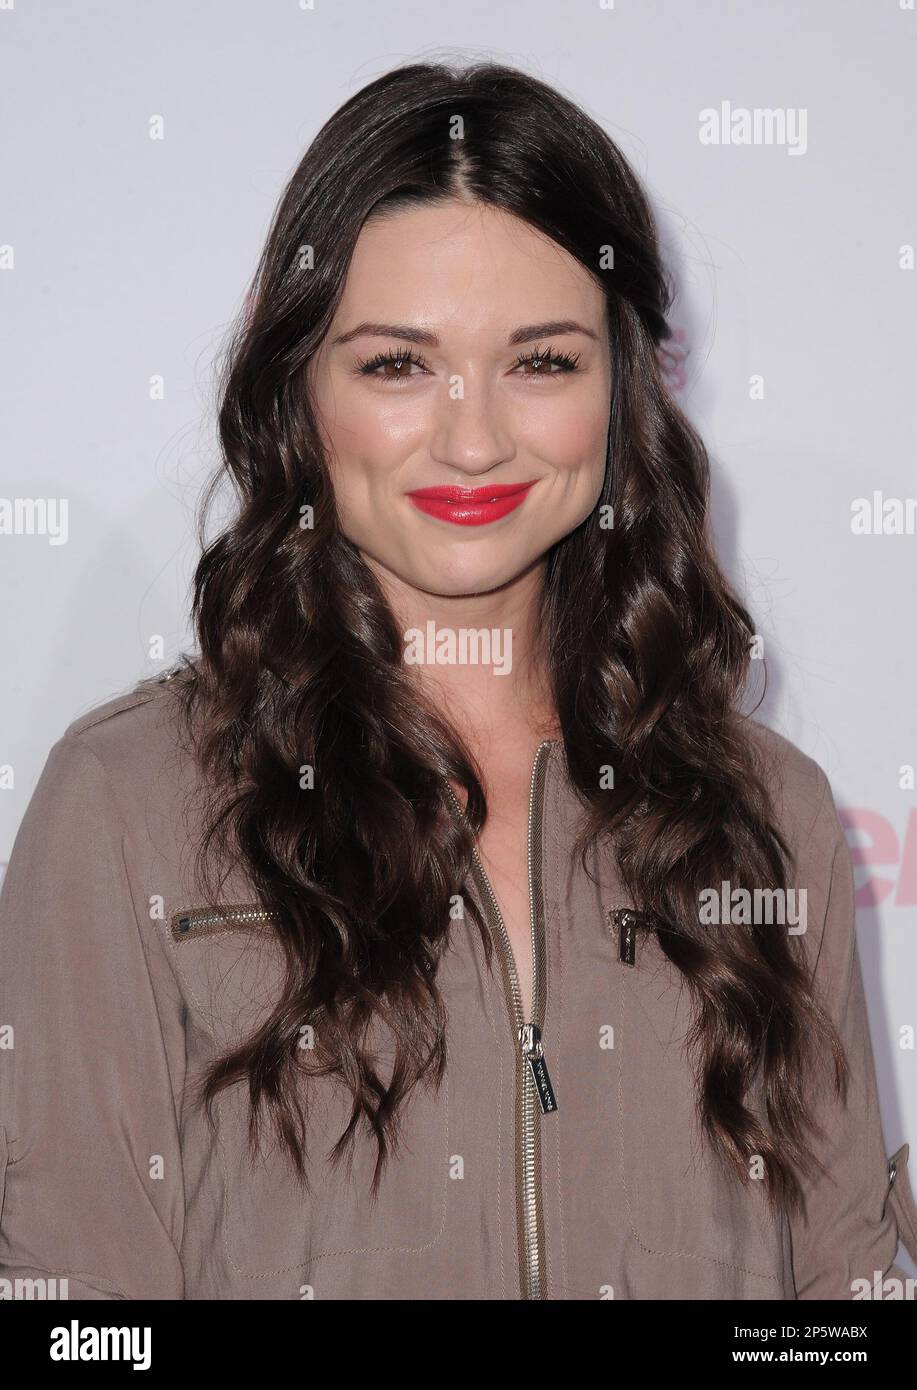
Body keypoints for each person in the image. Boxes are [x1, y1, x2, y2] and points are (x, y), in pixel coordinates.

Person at [1, 60, 914, 1301]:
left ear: (622, 384)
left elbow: (834, 1296)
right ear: (300, 390)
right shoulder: (121, 806)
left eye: (540, 361)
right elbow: (72, 1312)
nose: (473, 437)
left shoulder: (768, 815)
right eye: (395, 365)